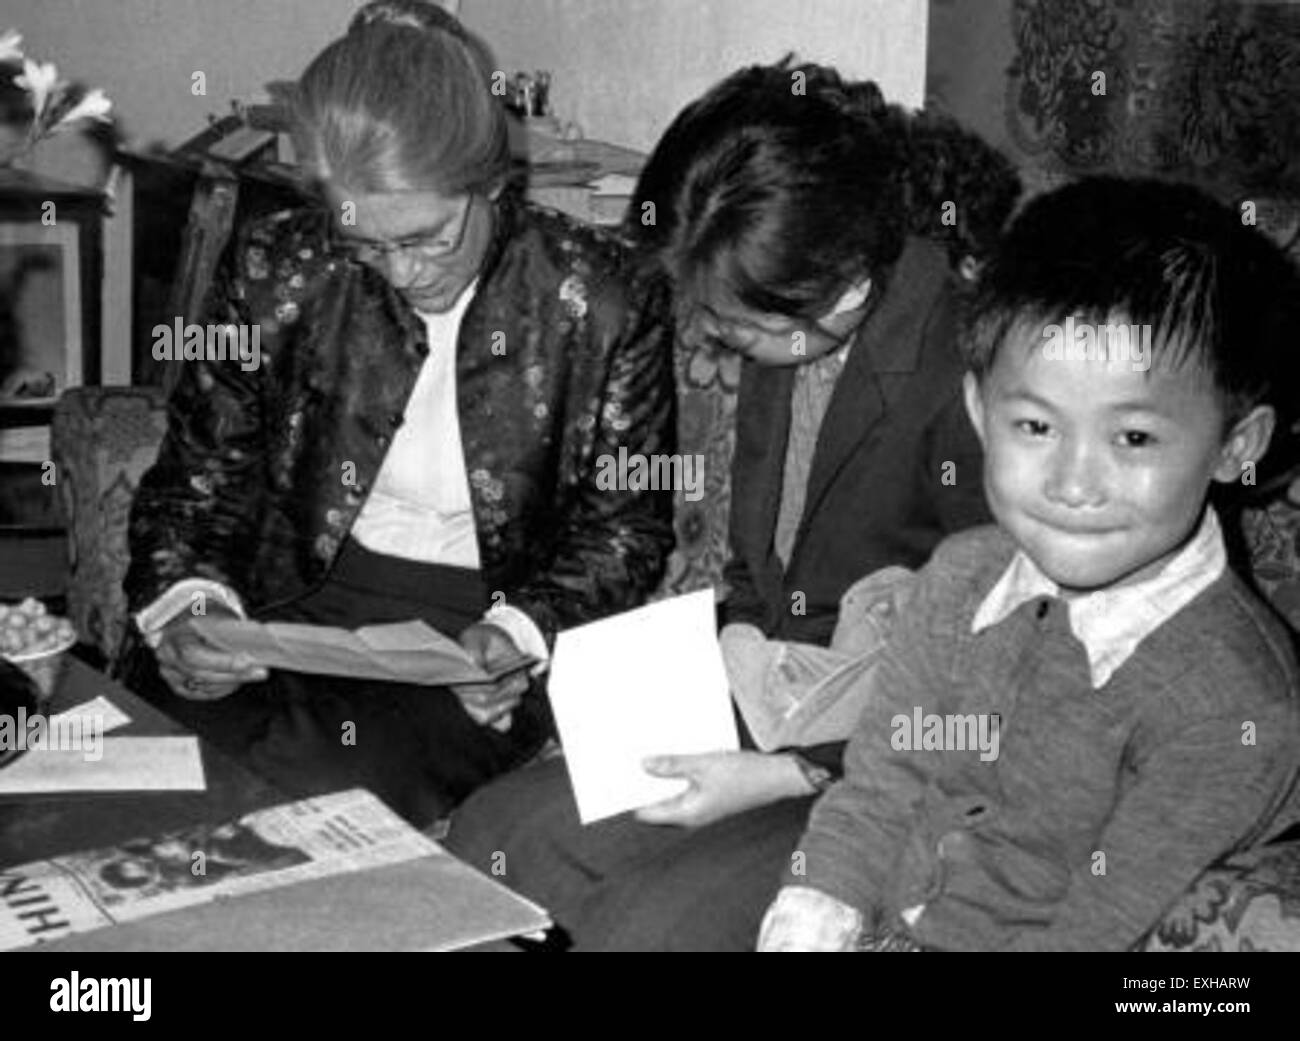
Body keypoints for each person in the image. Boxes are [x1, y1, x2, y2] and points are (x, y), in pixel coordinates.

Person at [444, 60, 1021, 949]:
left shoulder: (976, 380)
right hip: (777, 702)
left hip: (890, 768)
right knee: (493, 838)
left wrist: (789, 773)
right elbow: (760, 581)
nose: (712, 340)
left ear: (851, 288)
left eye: (736, 326)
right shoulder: (787, 336)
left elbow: (1003, 683)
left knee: (649, 927)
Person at [118, 1, 676, 827]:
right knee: (149, 748)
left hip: (472, 644)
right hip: (285, 612)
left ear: (493, 183)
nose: (405, 272)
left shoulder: (600, 297)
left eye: (428, 236)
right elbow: (197, 482)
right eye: (368, 246)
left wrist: (523, 632)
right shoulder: (280, 267)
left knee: (317, 785)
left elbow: (625, 529)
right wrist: (192, 604)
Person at [758, 176, 1300, 952]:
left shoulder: (1236, 709)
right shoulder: (958, 577)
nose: (1074, 484)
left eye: (1134, 438)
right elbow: (882, 784)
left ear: (1235, 446)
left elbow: (1094, 932)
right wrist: (811, 913)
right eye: (1036, 425)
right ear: (980, 410)